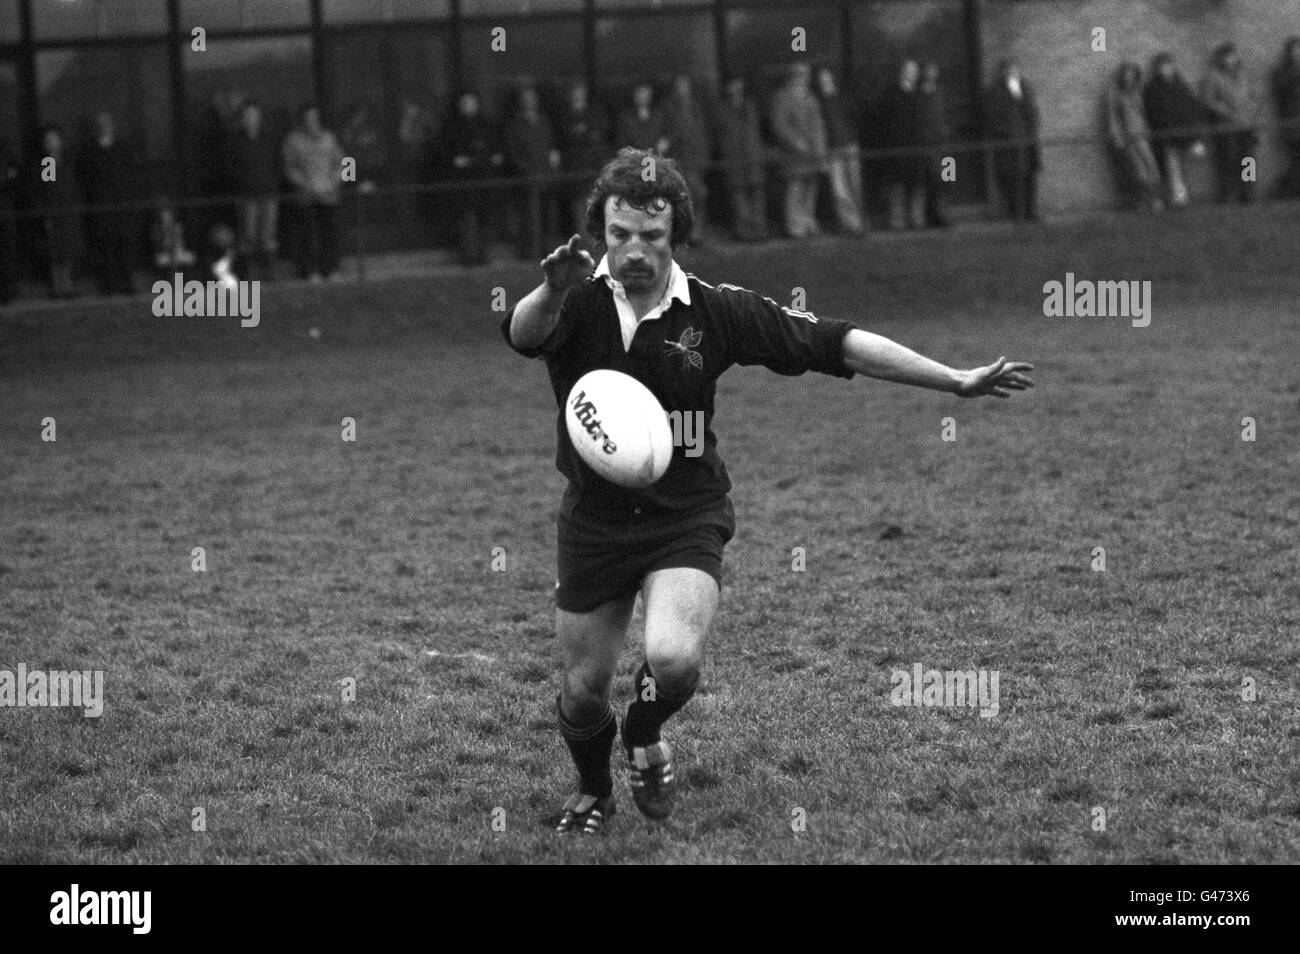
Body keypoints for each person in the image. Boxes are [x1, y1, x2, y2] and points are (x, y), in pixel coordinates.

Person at [501, 148, 1034, 834]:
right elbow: (523, 337)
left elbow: (833, 343)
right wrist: (549, 289)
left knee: (672, 660)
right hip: (594, 521)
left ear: (677, 235)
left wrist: (953, 379)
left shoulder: (716, 312)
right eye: (620, 234)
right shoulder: (573, 299)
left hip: (684, 515)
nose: (635, 250)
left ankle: (644, 728)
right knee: (580, 692)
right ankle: (595, 787)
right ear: (602, 232)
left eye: (653, 237)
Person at [440, 91, 505, 266]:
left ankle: (484, 255)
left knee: (484, 219)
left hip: (484, 180)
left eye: (471, 103)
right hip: (465, 182)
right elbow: (448, 154)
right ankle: (469, 256)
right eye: (465, 103)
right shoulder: (453, 127)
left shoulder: (485, 125)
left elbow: (494, 149)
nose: (468, 107)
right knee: (468, 220)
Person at [282, 103, 346, 281]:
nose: (312, 122)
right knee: (309, 235)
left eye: (315, 118)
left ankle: (332, 269)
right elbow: (289, 167)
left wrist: (337, 182)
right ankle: (311, 270)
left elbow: (344, 162)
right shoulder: (293, 141)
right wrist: (304, 184)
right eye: (309, 118)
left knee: (330, 234)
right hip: (306, 195)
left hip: (329, 195)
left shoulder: (329, 138)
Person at [79, 111, 137, 294]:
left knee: (123, 246)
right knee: (105, 248)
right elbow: (51, 177)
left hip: (120, 205)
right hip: (100, 205)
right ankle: (108, 285)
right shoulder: (85, 152)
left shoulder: (122, 148)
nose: (104, 128)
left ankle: (126, 282)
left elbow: (131, 174)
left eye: (107, 124)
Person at [1143, 53, 1209, 209]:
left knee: (1182, 164)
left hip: (1184, 133)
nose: (1167, 69)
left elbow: (1191, 106)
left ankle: (1179, 195)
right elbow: (1154, 113)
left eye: (1169, 65)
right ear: (1157, 68)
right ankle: (1179, 198)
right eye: (1163, 66)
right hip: (1166, 135)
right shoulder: (1152, 88)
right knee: (1173, 167)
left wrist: (1193, 129)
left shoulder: (1180, 84)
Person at [769, 62, 827, 238]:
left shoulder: (811, 98)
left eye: (806, 75)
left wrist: (820, 150)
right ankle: (795, 226)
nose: (803, 79)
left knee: (810, 191)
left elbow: (819, 126)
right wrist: (796, 143)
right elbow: (780, 126)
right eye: (800, 75)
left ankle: (808, 222)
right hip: (793, 155)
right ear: (792, 76)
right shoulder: (782, 97)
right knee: (795, 190)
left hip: (813, 154)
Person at [503, 84, 562, 257]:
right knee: (531, 217)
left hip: (547, 176)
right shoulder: (516, 124)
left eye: (532, 98)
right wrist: (526, 170)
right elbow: (513, 152)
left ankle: (548, 249)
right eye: (526, 99)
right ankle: (532, 252)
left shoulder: (544, 121)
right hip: (528, 177)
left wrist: (552, 168)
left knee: (548, 216)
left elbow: (551, 146)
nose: (530, 102)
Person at [227, 101, 281, 281]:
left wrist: (273, 182)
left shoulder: (269, 139)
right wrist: (241, 184)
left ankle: (269, 272)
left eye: (254, 115)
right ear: (242, 119)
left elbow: (277, 163)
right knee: (248, 235)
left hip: (268, 191)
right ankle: (248, 273)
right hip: (246, 194)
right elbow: (229, 167)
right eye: (247, 116)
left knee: (268, 235)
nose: (251, 119)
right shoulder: (234, 141)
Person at [984, 61, 1041, 221]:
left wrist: (1032, 130)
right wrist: (1007, 134)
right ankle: (1016, 213)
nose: (1013, 73)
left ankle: (1030, 211)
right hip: (1009, 144)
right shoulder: (995, 91)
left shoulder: (1025, 87)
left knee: (1029, 176)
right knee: (1013, 178)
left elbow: (1032, 111)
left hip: (1028, 141)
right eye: (1010, 71)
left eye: (1015, 70)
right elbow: (992, 118)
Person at [1201, 43, 1257, 204]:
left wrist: (1251, 109)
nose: (1231, 59)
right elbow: (1209, 100)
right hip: (1226, 125)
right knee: (1229, 159)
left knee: (1249, 159)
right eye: (1228, 56)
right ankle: (1228, 194)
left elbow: (1254, 95)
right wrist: (1227, 112)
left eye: (1234, 56)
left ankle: (1248, 193)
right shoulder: (1213, 76)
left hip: (1246, 124)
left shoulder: (1244, 74)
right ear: (1221, 58)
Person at [716, 75, 769, 241]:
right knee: (739, 197)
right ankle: (744, 231)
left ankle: (759, 229)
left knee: (757, 195)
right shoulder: (722, 109)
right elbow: (720, 135)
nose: (736, 89)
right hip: (734, 158)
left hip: (753, 156)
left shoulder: (751, 106)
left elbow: (759, 129)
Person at [1105, 62, 1164, 212]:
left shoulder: (1139, 91)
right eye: (1126, 74)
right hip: (1128, 136)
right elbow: (1113, 118)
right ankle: (1143, 201)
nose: (1129, 78)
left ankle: (1156, 200)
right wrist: (1117, 137)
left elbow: (1147, 112)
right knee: (1139, 170)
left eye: (1132, 74)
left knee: (1151, 165)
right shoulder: (1116, 94)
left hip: (1143, 134)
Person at [814, 66, 865, 235]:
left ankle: (858, 220)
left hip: (848, 145)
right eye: (822, 80)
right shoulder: (818, 102)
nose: (825, 82)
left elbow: (855, 117)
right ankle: (850, 223)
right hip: (833, 148)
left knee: (854, 186)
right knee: (839, 189)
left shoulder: (842, 98)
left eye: (827, 78)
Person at [659, 75, 712, 238]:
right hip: (679, 157)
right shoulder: (668, 107)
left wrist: (704, 155)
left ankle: (696, 230)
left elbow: (701, 132)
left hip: (696, 157)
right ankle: (683, 231)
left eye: (686, 85)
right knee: (683, 195)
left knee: (699, 194)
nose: (683, 89)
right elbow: (668, 132)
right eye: (680, 86)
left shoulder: (695, 106)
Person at [32, 125, 80, 299]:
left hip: (68, 212)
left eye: (54, 139)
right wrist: (48, 213)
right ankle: (58, 287)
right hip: (55, 213)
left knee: (67, 252)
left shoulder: (68, 161)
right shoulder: (49, 163)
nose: (51, 143)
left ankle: (68, 286)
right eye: (48, 141)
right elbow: (49, 189)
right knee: (55, 252)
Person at [557, 81, 610, 235]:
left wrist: (582, 133)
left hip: (593, 166)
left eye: (580, 92)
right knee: (578, 206)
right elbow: (564, 137)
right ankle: (585, 240)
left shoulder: (595, 112)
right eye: (575, 92)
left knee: (596, 203)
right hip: (574, 167)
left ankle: (597, 237)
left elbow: (599, 134)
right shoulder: (564, 114)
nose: (577, 95)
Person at [877, 59, 924, 229]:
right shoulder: (891, 94)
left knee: (918, 185)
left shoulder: (920, 94)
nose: (912, 74)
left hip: (917, 145)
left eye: (914, 71)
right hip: (898, 145)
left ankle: (916, 219)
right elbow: (884, 121)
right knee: (897, 186)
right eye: (909, 70)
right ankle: (897, 221)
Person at [916, 62, 950, 228]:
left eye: (934, 71)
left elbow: (946, 113)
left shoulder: (942, 91)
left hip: (944, 143)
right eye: (928, 72)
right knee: (931, 180)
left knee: (947, 179)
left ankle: (944, 214)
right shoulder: (920, 93)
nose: (931, 75)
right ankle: (932, 216)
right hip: (928, 144)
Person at [1270, 37, 1300, 199]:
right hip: (1292, 124)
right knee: (1295, 160)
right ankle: (1293, 192)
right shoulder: (1281, 71)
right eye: (1295, 50)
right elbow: (1279, 91)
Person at [616, 83, 668, 154]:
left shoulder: (659, 115)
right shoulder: (626, 117)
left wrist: (666, 140)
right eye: (640, 93)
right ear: (635, 96)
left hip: (656, 157)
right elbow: (621, 141)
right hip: (633, 158)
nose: (643, 96)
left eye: (646, 93)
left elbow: (667, 132)